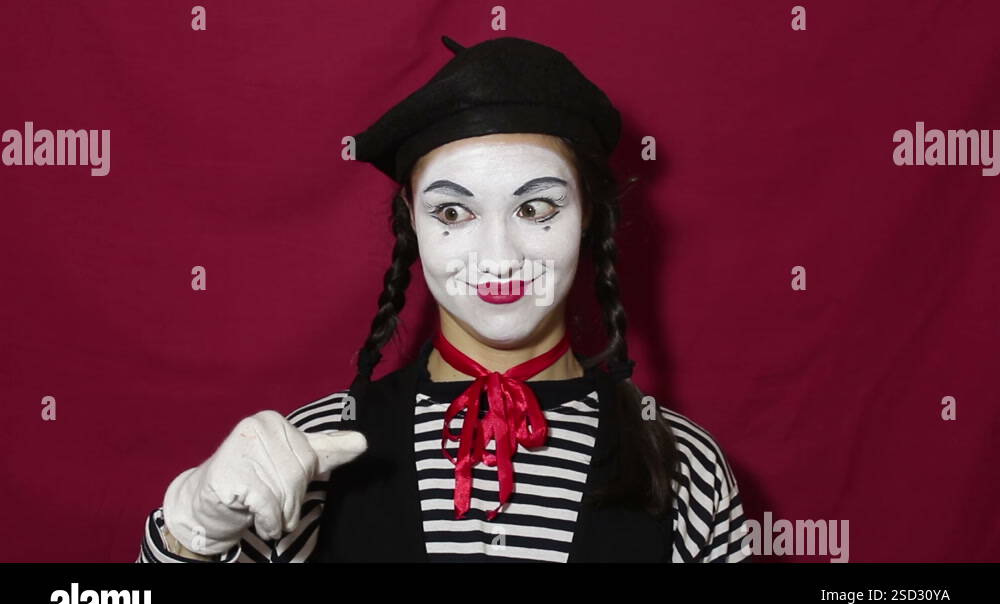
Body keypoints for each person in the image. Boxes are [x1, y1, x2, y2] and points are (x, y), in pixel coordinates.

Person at [137, 35, 749, 563]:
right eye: (453, 211)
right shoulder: (309, 453)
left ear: (587, 212)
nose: (499, 257)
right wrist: (192, 534)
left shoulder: (682, 465)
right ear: (412, 221)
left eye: (536, 208)